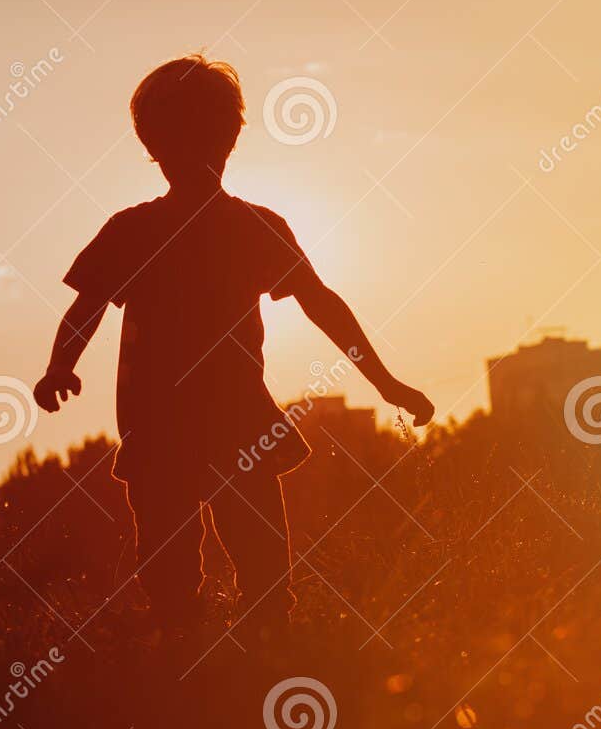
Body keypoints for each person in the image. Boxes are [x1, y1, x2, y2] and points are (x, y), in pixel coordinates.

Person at [33, 55, 433, 642]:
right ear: (233, 136)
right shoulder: (237, 227)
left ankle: (203, 674)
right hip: (218, 425)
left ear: (150, 143)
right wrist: (386, 384)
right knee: (253, 574)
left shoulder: (146, 228)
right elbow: (321, 304)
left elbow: (84, 310)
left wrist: (58, 368)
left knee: (192, 579)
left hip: (181, 425)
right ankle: (244, 673)